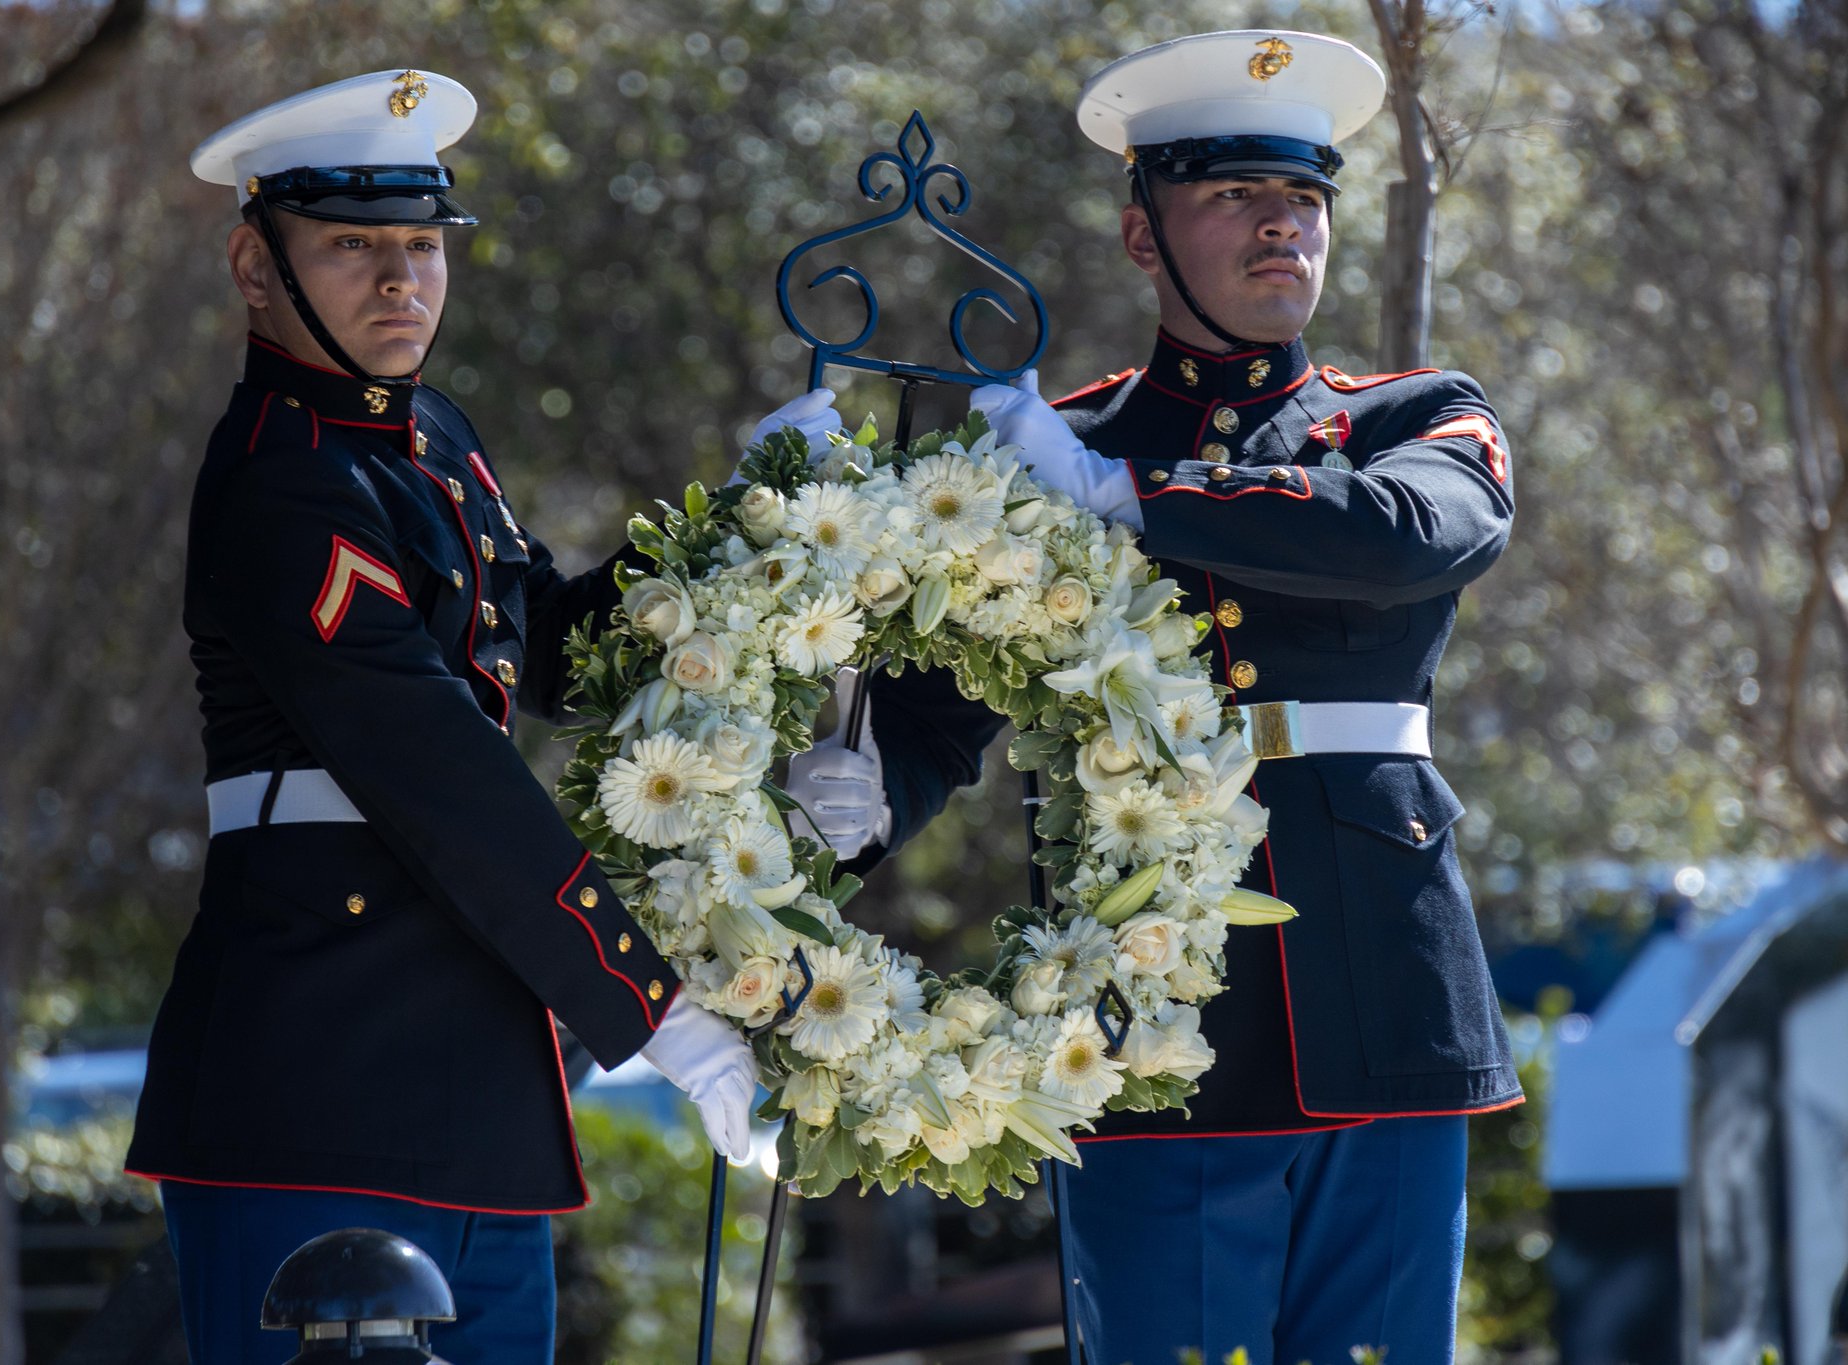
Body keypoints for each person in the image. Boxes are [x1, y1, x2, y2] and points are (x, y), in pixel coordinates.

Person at [801, 30, 1524, 1364]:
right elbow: (925, 722)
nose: (1278, 230)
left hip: (1383, 995)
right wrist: (828, 807)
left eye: (1303, 199)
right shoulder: (1051, 450)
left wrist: (1126, 500)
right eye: (1231, 198)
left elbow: (1413, 535)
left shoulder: (1413, 419)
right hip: (1146, 1026)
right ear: (1144, 239)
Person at [123, 69, 828, 1364]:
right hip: (314, 1092)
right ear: (253, 261)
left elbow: (552, 652)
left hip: (480, 1106)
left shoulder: (430, 442)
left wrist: (752, 521)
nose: (402, 279)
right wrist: (653, 1007)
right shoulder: (285, 483)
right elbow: (448, 780)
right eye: (352, 244)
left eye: (423, 244)